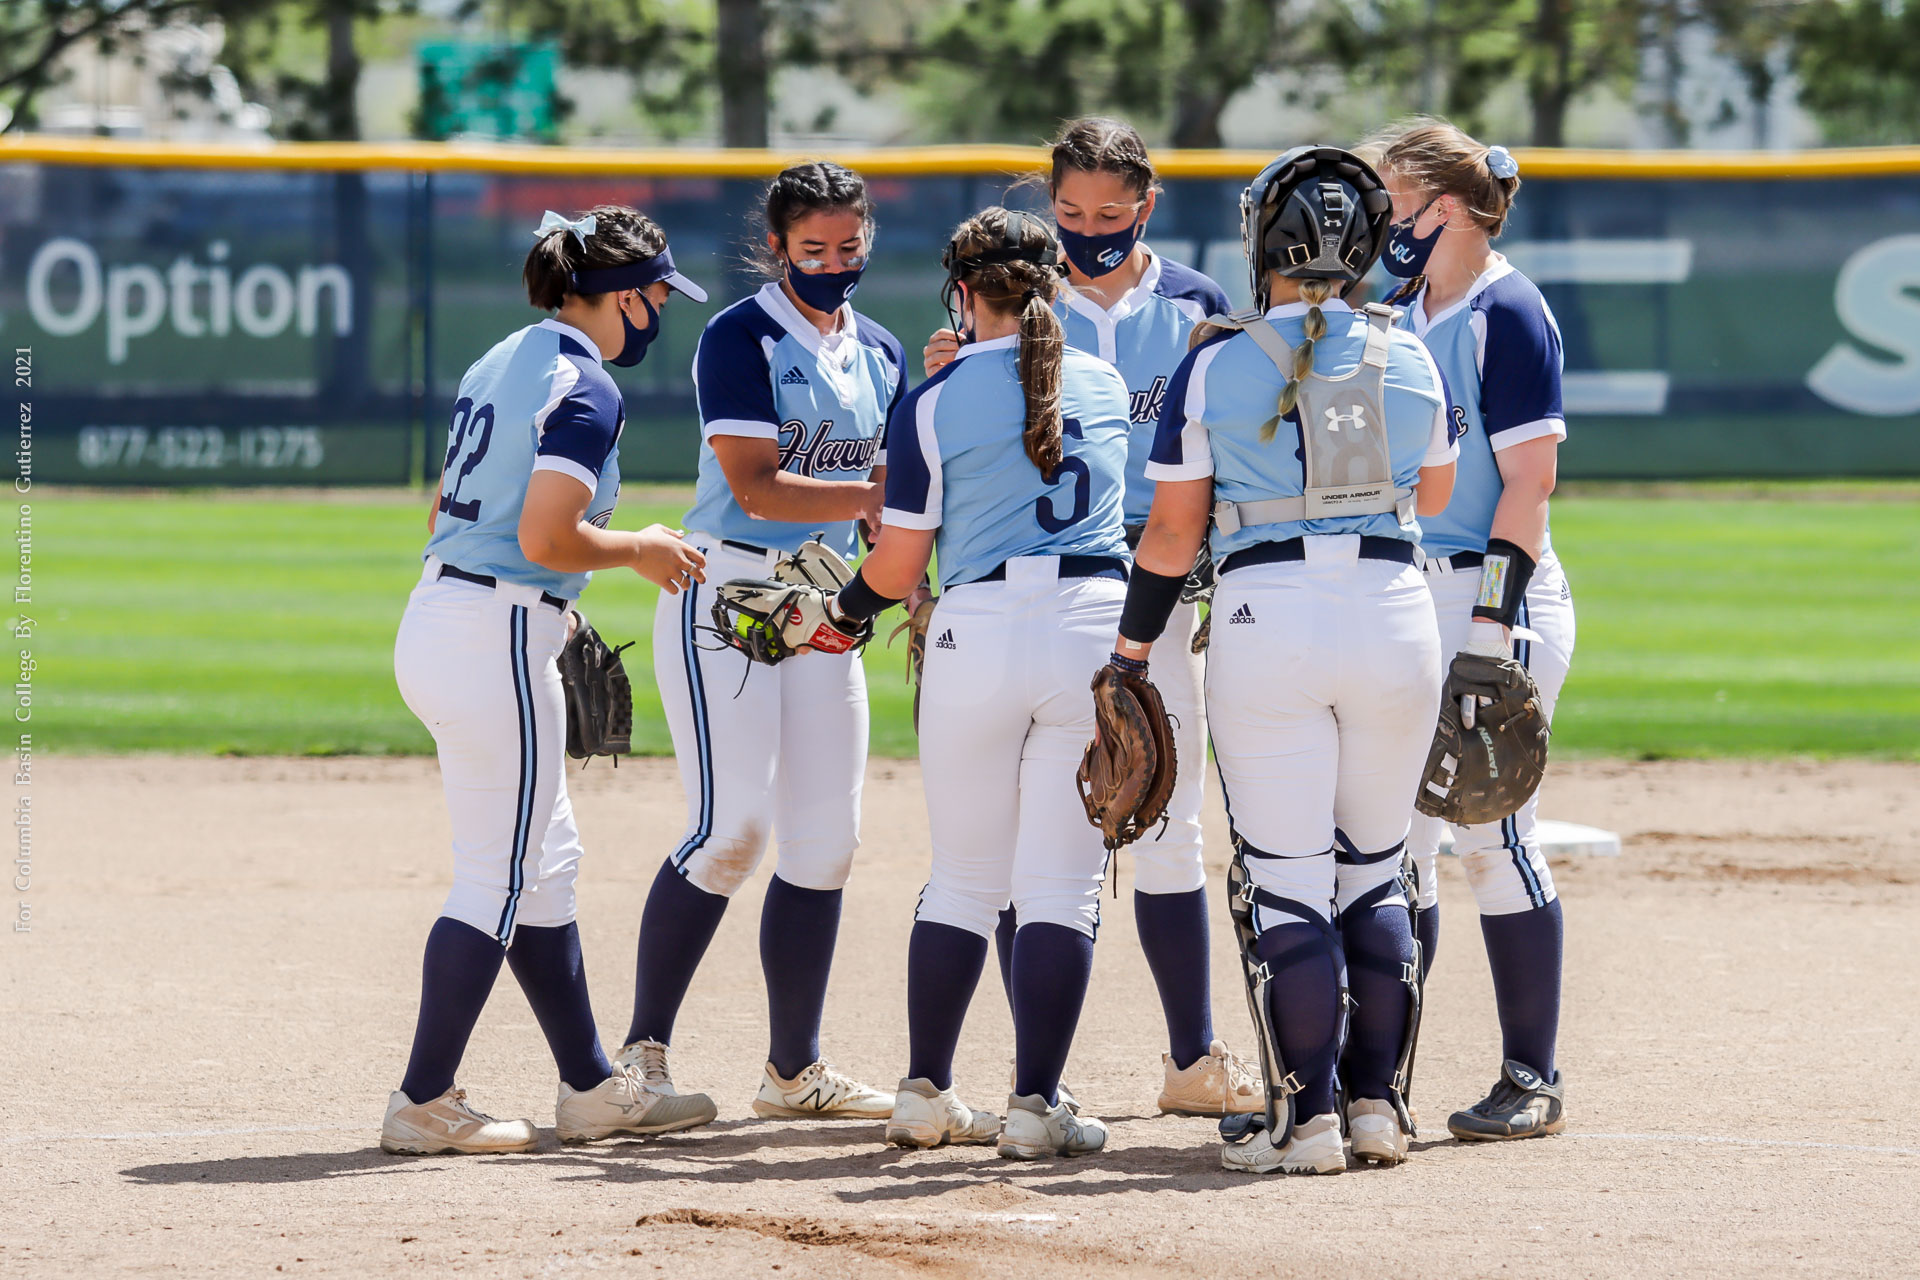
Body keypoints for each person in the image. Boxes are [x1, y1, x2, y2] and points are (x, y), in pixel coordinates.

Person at [1115, 147, 1458, 1174]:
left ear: (1263, 235)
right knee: (1377, 868)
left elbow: (1173, 534)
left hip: (1272, 613)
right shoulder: (1413, 352)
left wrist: (1131, 651)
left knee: (1286, 880)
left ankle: (1304, 1120)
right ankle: (1375, 1109)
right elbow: (1434, 498)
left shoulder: (1215, 359)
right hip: (1397, 608)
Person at [924, 117, 1259, 1119]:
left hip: (1153, 596)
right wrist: (950, 361)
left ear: (1147, 207)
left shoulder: (1197, 304)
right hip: (1063, 598)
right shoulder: (1017, 301)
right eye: (1069, 212)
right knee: (1033, 840)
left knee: (1165, 820)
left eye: (1111, 214)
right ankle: (1042, 1073)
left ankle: (1190, 1057)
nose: (1088, 229)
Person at [383, 206, 710, 1154]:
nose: (656, 314)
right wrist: (639, 548)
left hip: (452, 616)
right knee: (498, 872)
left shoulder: (505, 356)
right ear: (617, 295)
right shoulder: (587, 388)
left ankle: (589, 1086)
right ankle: (423, 1099)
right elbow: (546, 539)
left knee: (545, 866)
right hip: (495, 632)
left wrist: (556, 593)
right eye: (654, 295)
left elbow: (454, 503)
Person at [821, 207, 1130, 1159]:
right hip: (1088, 629)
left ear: (963, 293)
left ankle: (924, 1092)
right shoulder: (1107, 382)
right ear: (1053, 287)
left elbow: (900, 564)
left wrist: (845, 615)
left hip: (975, 633)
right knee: (1060, 887)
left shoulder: (934, 398)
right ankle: (1036, 1105)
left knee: (960, 878)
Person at [615, 161, 907, 1122]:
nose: (832, 263)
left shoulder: (885, 352)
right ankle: (640, 1059)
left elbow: (887, 508)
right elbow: (757, 485)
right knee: (731, 831)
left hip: (826, 607)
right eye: (811, 248)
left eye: (849, 247)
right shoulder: (739, 335)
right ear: (775, 246)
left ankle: (793, 1074)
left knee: (826, 843)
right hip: (727, 596)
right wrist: (880, 495)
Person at [1369, 118, 1576, 1142]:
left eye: (1391, 198)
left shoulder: (1507, 309)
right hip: (1407, 589)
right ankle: (1381, 1080)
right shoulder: (1398, 309)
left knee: (1494, 833)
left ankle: (1531, 1074)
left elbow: (1529, 485)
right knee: (1396, 840)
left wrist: (1491, 627)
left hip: (1499, 594)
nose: (1378, 219)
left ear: (1439, 207)